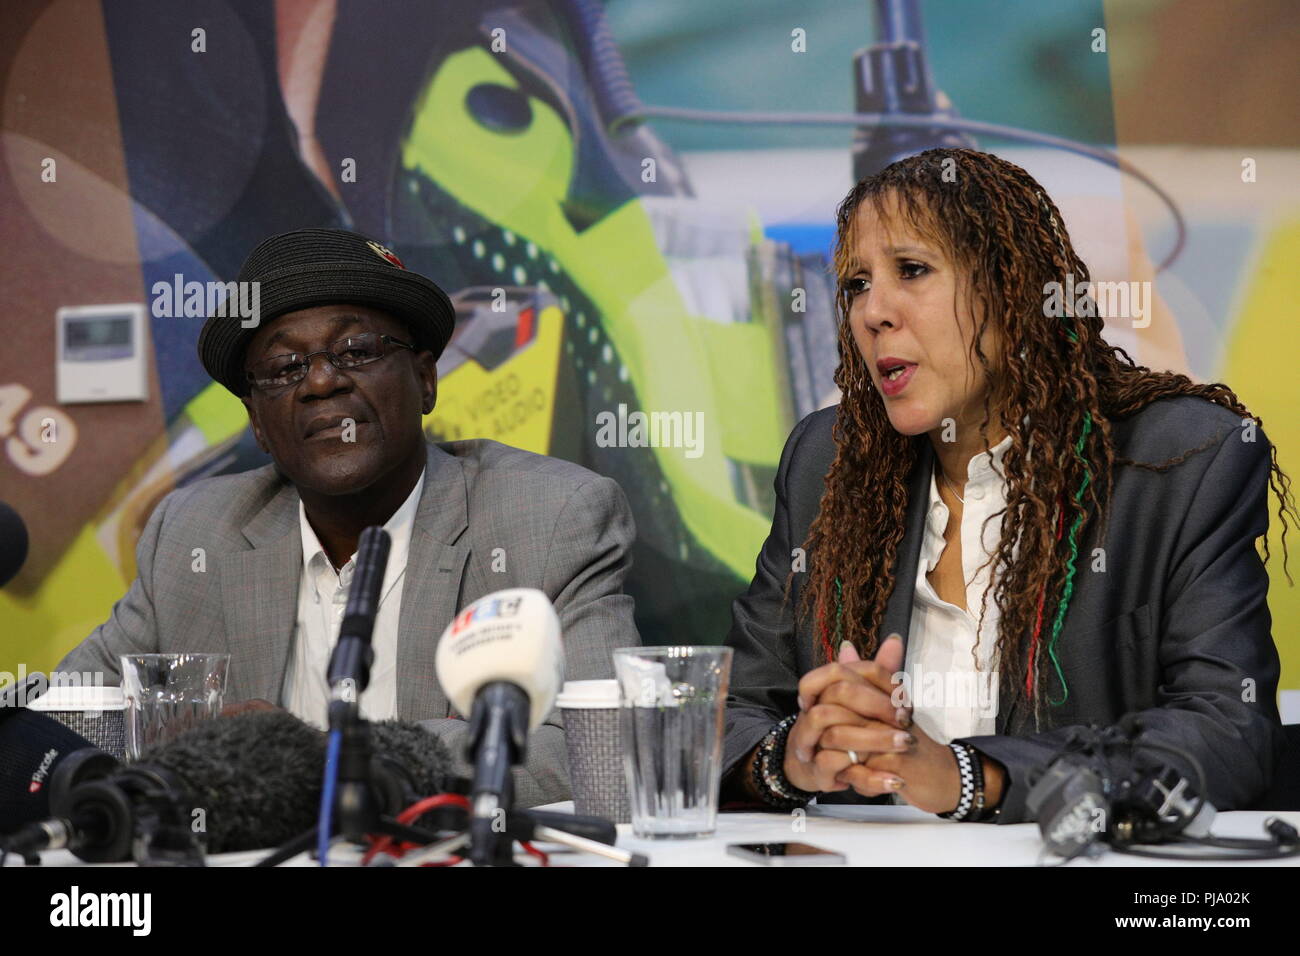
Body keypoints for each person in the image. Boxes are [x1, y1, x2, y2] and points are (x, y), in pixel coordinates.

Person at [721, 148, 1295, 823]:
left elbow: (1227, 733)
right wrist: (791, 758)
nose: (873, 311)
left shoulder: (1180, 464)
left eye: (912, 270)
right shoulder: (826, 459)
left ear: (1010, 292)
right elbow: (733, 710)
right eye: (854, 285)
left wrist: (972, 776)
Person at [56, 227, 639, 807]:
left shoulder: (552, 516)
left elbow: (604, 751)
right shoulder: (193, 532)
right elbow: (60, 719)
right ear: (257, 423)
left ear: (426, 379)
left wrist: (318, 758)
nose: (320, 381)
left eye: (356, 351)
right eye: (285, 368)